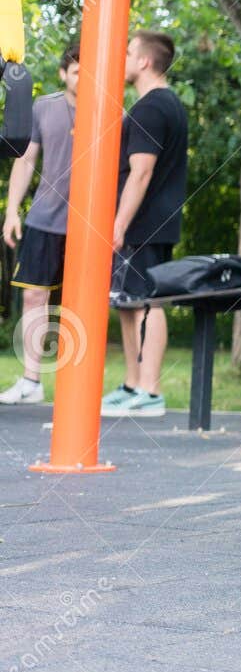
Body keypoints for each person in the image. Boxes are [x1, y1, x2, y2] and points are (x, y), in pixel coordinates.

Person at [100, 31, 189, 418]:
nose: (122, 57)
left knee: (147, 305)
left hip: (145, 223)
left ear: (145, 62)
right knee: (127, 304)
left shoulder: (152, 107)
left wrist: (119, 224)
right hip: (145, 222)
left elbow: (141, 171)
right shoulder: (162, 104)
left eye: (128, 50)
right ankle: (133, 384)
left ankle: (151, 391)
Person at [1, 42, 79, 405]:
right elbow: (25, 160)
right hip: (46, 219)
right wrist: (12, 210)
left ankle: (80, 386)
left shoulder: (115, 112)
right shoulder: (43, 107)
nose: (83, 77)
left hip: (89, 226)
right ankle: (32, 382)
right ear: (64, 73)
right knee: (34, 296)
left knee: (84, 303)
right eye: (76, 70)